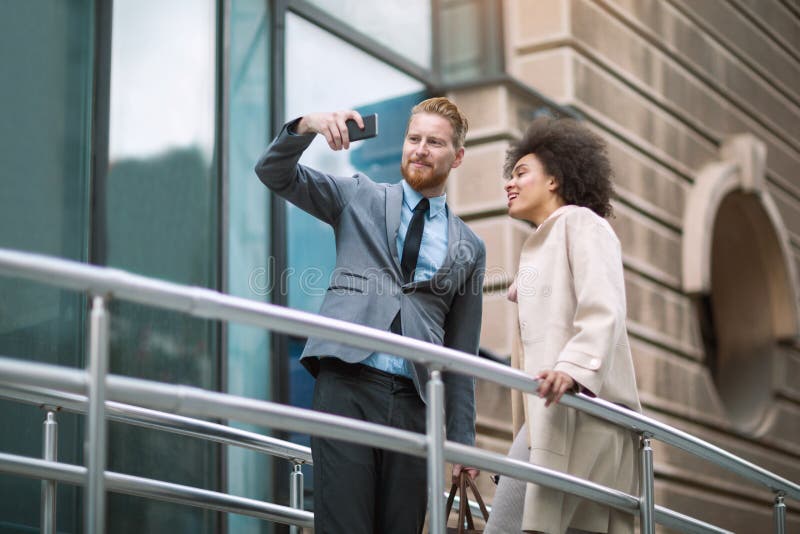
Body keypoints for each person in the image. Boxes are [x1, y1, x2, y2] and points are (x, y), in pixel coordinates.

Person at [254, 97, 485, 534]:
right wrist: (306, 126)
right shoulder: (358, 195)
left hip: (415, 402)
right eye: (413, 138)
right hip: (347, 385)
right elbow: (273, 173)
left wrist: (462, 443)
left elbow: (461, 354)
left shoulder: (470, 246)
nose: (419, 149)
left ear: (457, 157)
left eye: (434, 142)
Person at [484, 116, 642, 534]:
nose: (509, 184)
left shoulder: (583, 224)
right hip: (556, 416)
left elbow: (604, 306)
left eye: (521, 172)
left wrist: (572, 370)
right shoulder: (541, 244)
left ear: (554, 179)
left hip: (580, 413)